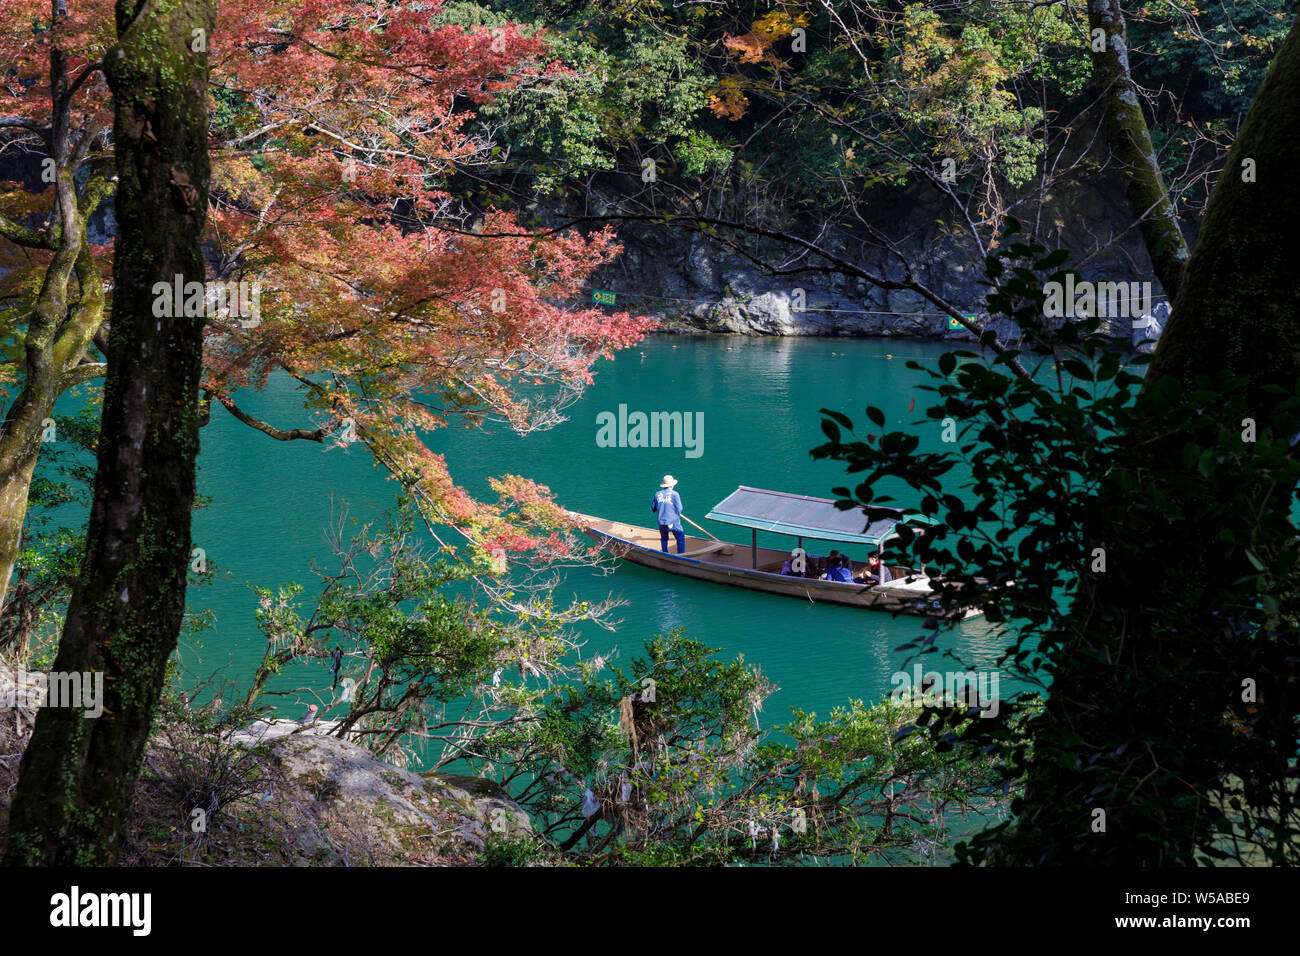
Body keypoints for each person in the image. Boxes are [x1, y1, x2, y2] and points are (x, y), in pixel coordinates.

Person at [651, 474, 685, 554]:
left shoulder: (657, 494)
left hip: (662, 522)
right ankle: (681, 555)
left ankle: (665, 554)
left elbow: (653, 508)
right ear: (672, 485)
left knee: (664, 539)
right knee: (680, 539)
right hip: (673, 522)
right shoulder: (675, 494)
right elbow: (680, 509)